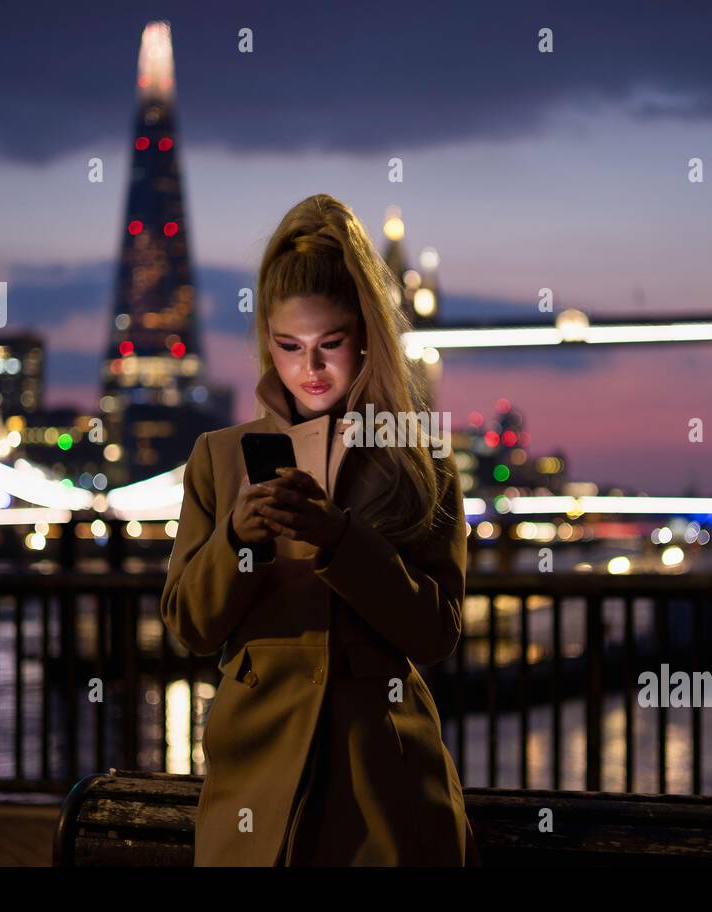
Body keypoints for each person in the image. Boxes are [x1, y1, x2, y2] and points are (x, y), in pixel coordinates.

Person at [160, 193, 480, 866]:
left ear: (367, 335)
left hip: (386, 795)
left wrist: (341, 540)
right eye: (289, 346)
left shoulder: (421, 456)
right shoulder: (218, 457)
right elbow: (190, 625)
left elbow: (437, 630)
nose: (310, 368)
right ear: (265, 342)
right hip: (254, 789)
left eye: (331, 344)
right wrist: (239, 541)